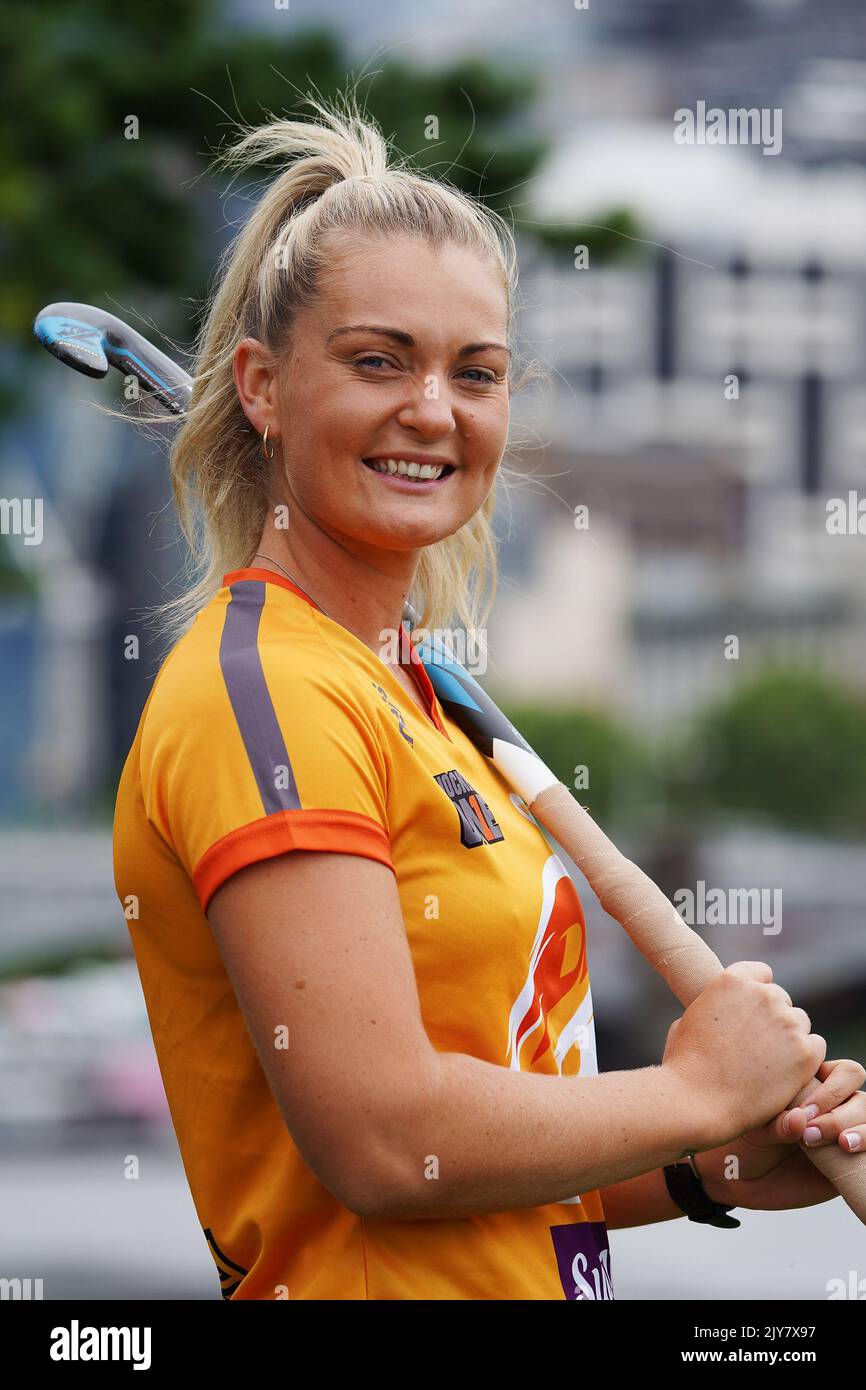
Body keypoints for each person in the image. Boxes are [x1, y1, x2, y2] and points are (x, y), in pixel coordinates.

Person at [113, 93, 866, 1301]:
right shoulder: (262, 695)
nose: (431, 410)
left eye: (477, 372)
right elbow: (382, 1143)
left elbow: (489, 1138)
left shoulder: (405, 695)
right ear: (259, 385)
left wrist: (700, 1164)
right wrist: (693, 1089)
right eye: (376, 360)